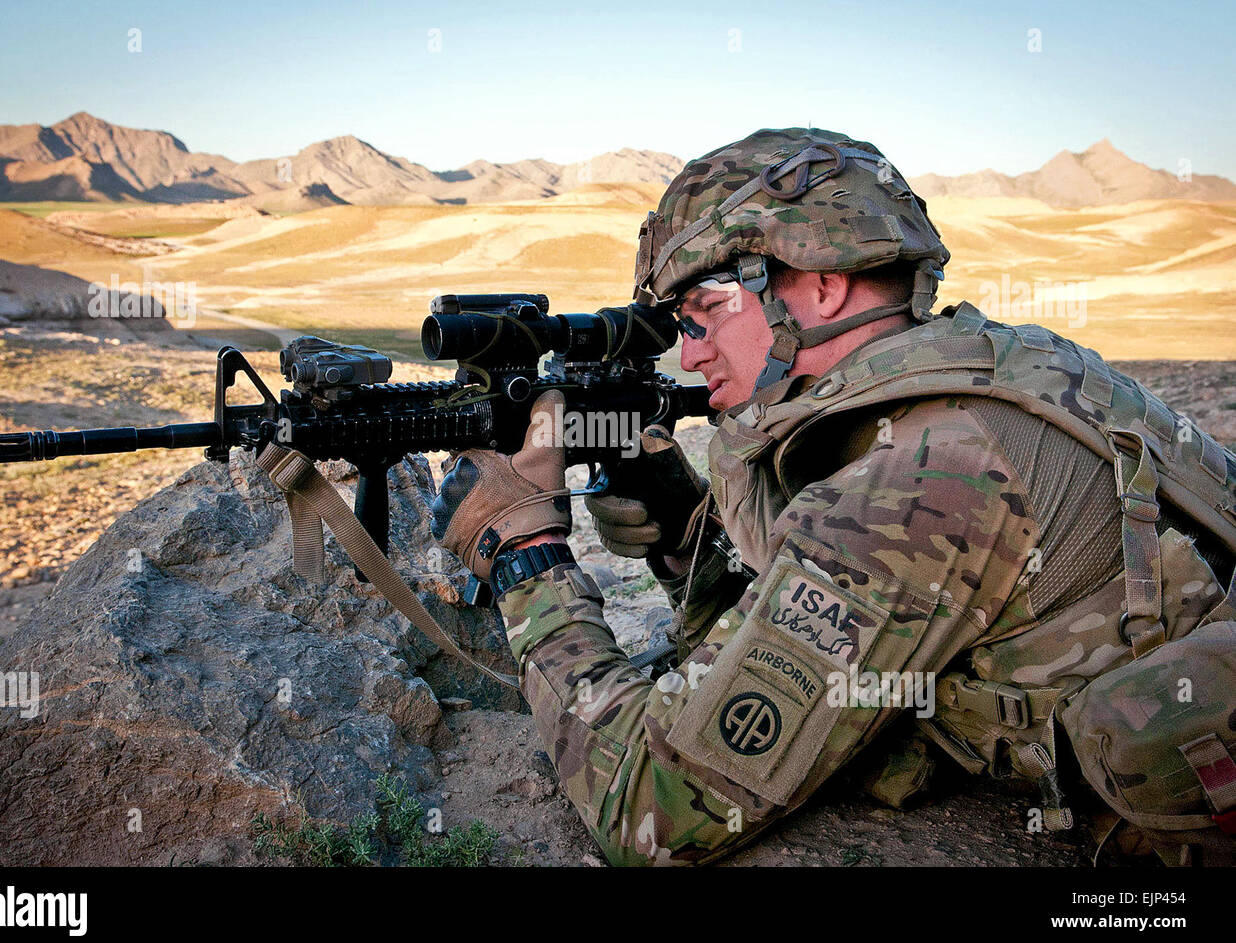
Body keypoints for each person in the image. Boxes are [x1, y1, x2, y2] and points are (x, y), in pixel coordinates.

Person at [428, 128, 1236, 865]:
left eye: (706, 312)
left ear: (820, 287)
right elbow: (825, 632)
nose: (691, 351)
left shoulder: (920, 482)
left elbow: (652, 812)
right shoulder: (999, 366)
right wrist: (688, 538)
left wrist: (524, 546)